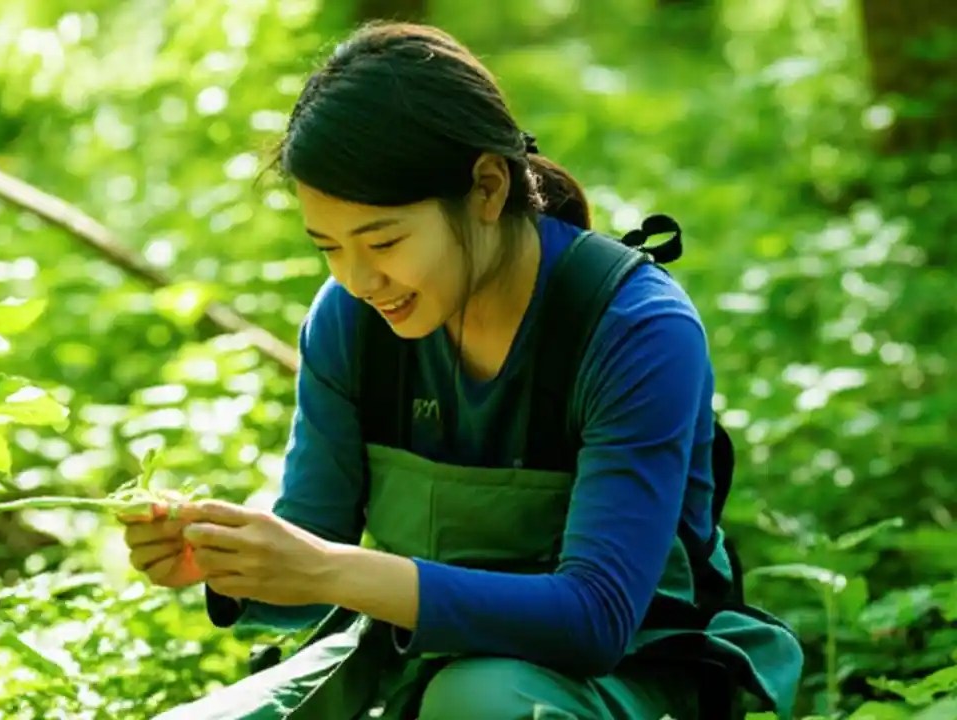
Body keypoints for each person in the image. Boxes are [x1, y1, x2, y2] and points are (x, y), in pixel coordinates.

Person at [121, 21, 803, 720]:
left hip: (628, 672)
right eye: (329, 247)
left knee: (479, 701)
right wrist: (224, 564)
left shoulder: (634, 329)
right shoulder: (351, 322)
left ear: (485, 187)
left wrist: (331, 568)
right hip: (410, 658)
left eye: (382, 241)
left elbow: (595, 621)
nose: (357, 279)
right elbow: (314, 556)